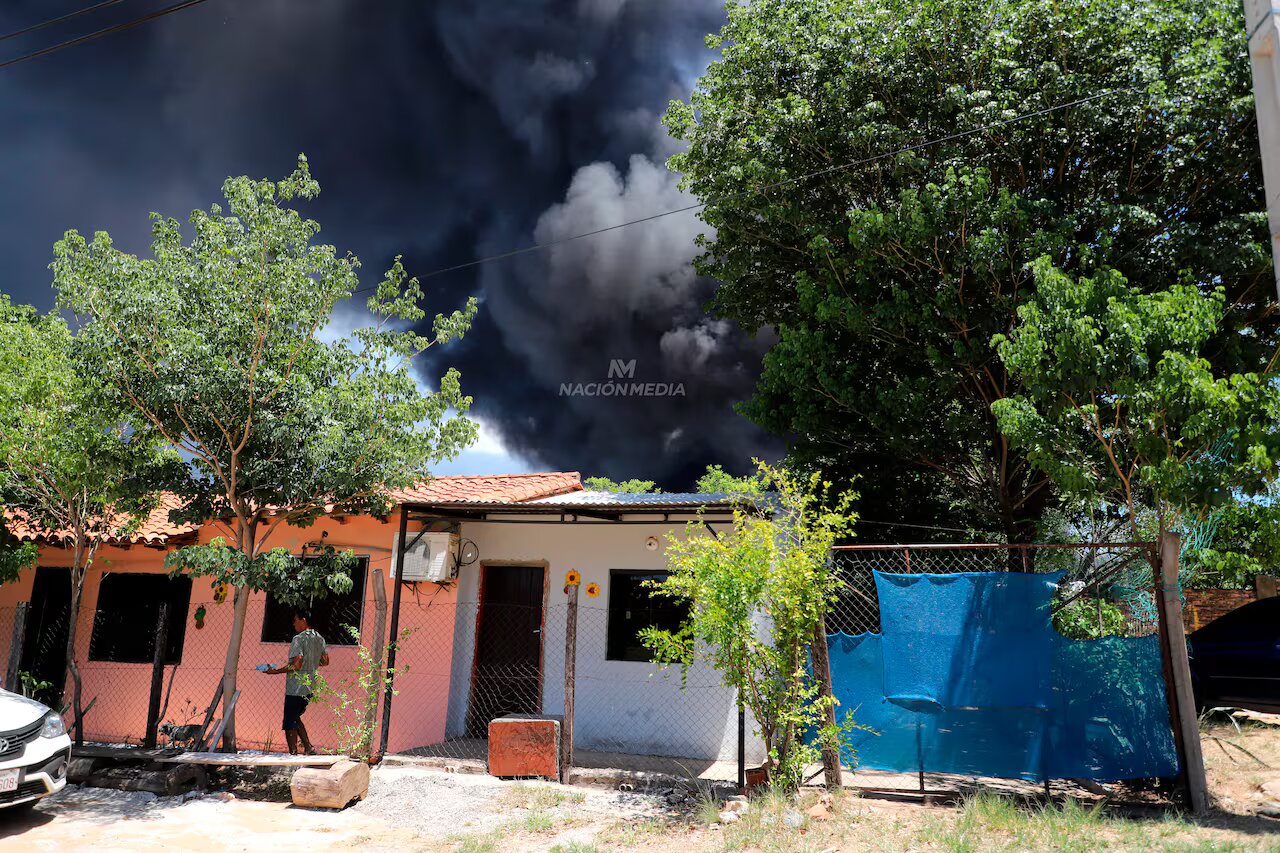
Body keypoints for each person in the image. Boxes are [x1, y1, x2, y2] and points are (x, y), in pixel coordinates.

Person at [259, 607, 329, 755]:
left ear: (303, 620)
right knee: (295, 717)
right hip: (310, 686)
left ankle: (293, 753)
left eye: (295, 620)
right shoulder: (319, 638)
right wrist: (311, 662)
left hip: (295, 687)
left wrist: (275, 671)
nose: (293, 624)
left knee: (290, 721)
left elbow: (296, 665)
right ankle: (309, 748)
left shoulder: (299, 639)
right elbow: (325, 661)